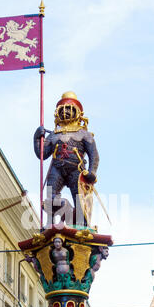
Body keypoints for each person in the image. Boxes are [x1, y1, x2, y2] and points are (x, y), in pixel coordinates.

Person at [34, 91, 99, 227]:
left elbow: (94, 155)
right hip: (57, 168)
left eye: (70, 109)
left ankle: (82, 225)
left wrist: (92, 172)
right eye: (64, 109)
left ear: (77, 112)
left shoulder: (84, 134)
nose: (66, 112)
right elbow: (42, 154)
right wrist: (36, 138)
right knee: (50, 197)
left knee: (80, 199)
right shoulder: (53, 135)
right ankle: (51, 223)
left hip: (76, 168)